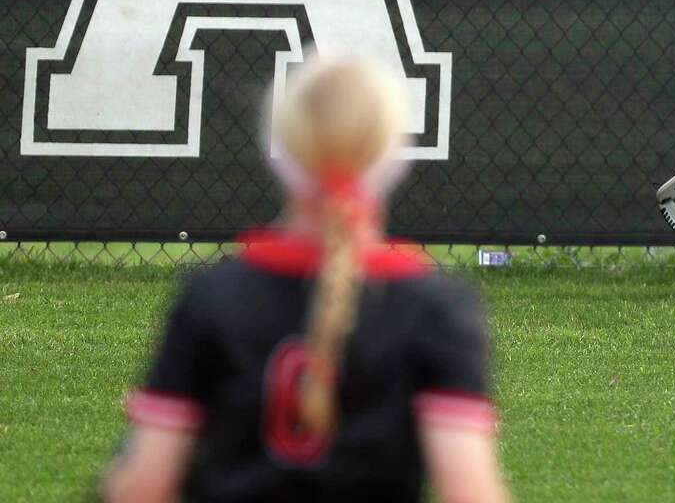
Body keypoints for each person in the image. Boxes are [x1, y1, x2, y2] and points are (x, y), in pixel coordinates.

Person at [102, 56, 510, 502]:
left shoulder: (211, 296)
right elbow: (470, 492)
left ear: (277, 152)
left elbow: (141, 488)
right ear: (394, 160)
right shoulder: (437, 309)